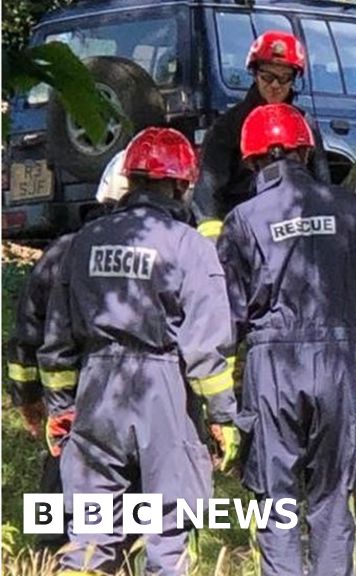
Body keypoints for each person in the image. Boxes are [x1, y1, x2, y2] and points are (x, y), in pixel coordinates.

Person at [217, 103, 356, 576]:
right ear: (306, 153)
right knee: (333, 495)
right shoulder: (350, 208)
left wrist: (218, 398)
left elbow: (226, 317)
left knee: (275, 501)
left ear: (251, 160)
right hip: (337, 365)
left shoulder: (242, 220)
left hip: (271, 371)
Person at [38, 128, 239, 576]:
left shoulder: (85, 241)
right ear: (182, 185)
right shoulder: (189, 246)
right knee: (167, 533)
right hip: (162, 392)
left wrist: (60, 407)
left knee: (88, 536)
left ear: (130, 180)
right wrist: (223, 417)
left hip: (96, 393)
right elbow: (206, 346)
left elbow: (57, 338)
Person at [4, 151, 129, 551]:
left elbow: (27, 335)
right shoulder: (167, 248)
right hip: (143, 403)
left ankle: (52, 555)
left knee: (61, 486)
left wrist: (27, 399)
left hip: (71, 403)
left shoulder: (62, 251)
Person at [193, 30, 330, 239]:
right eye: (268, 77)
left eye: (284, 78)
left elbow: (322, 184)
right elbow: (207, 193)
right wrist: (216, 241)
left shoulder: (305, 124)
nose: (275, 85)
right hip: (243, 230)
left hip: (293, 229)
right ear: (255, 74)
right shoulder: (229, 126)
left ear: (294, 79)